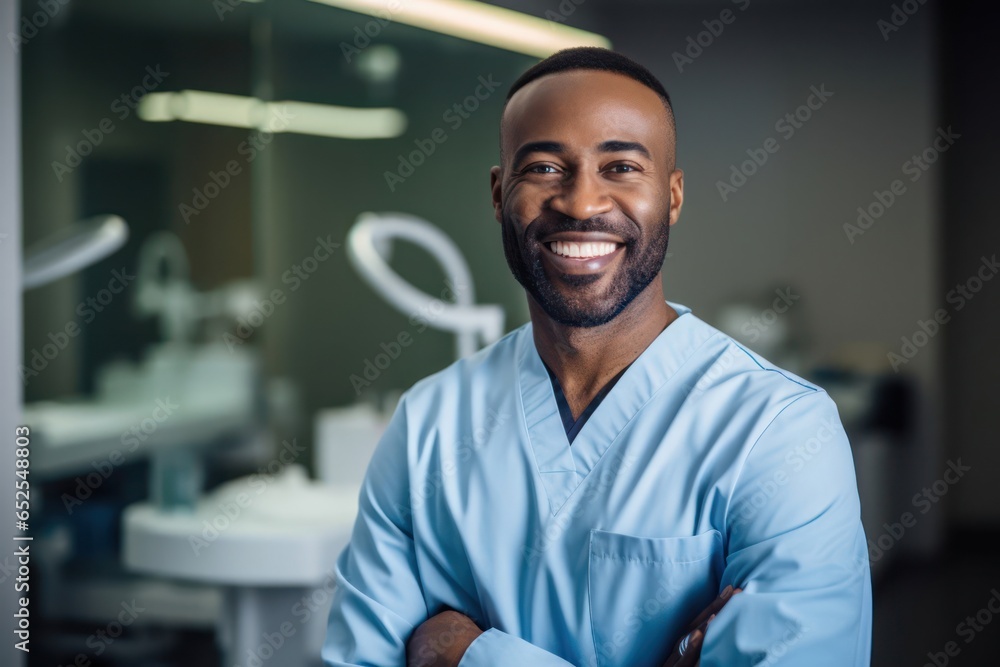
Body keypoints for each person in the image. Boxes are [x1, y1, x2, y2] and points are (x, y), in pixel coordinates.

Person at [322, 46, 872, 667]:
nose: (582, 203)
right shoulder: (427, 424)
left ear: (672, 196)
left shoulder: (780, 430)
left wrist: (469, 656)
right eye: (545, 168)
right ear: (501, 195)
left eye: (620, 167)